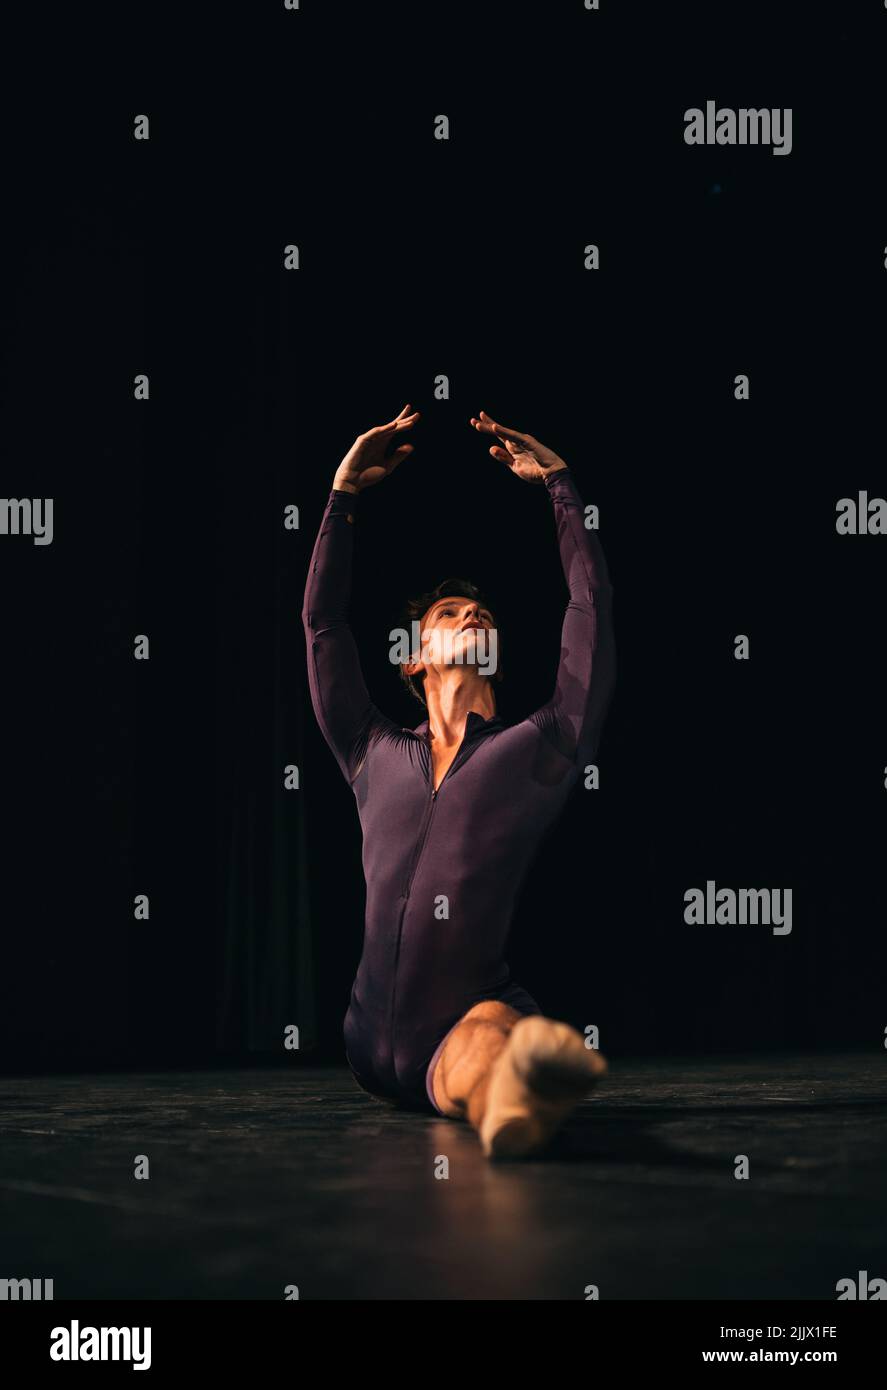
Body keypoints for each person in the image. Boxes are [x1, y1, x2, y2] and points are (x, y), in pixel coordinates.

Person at [302, 405, 616, 1158]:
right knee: (499, 1032)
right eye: (449, 611)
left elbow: (590, 614)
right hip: (363, 1042)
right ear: (413, 656)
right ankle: (521, 1075)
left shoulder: (537, 748)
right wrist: (341, 496)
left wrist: (561, 488)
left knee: (498, 1032)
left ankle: (513, 1093)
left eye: (480, 611)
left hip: (452, 1036)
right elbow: (323, 627)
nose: (471, 612)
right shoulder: (368, 750)